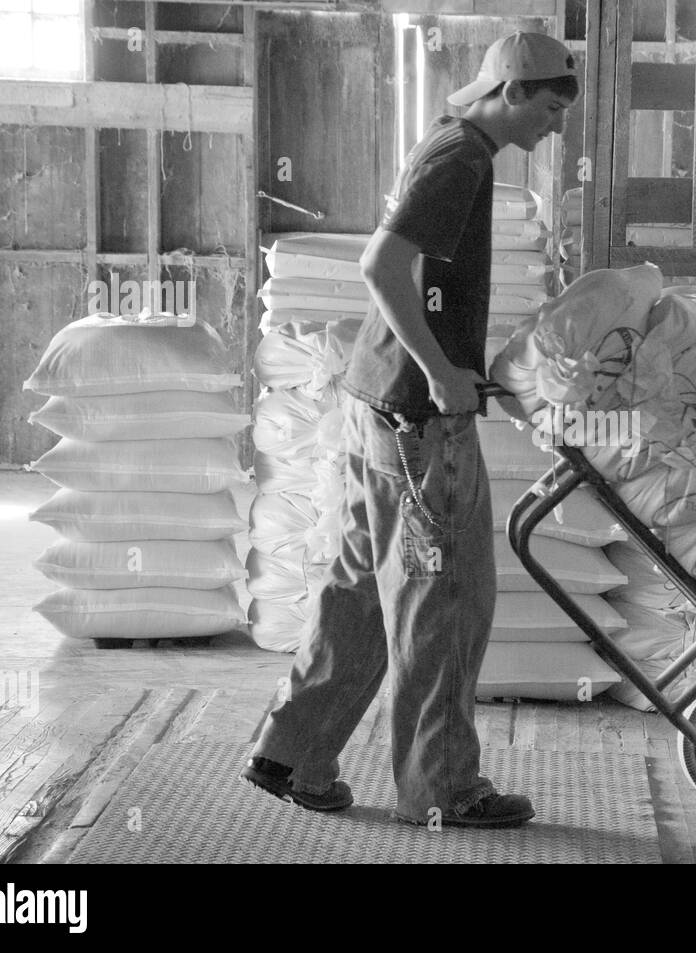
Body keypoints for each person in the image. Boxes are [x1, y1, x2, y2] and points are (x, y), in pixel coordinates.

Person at [241, 32, 579, 829]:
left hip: (374, 408)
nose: (556, 127)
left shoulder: (450, 142)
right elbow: (381, 264)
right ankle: (447, 789)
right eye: (553, 108)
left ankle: (291, 752)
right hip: (418, 423)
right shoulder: (463, 158)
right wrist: (438, 371)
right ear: (513, 90)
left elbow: (415, 278)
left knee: (360, 590)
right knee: (445, 598)